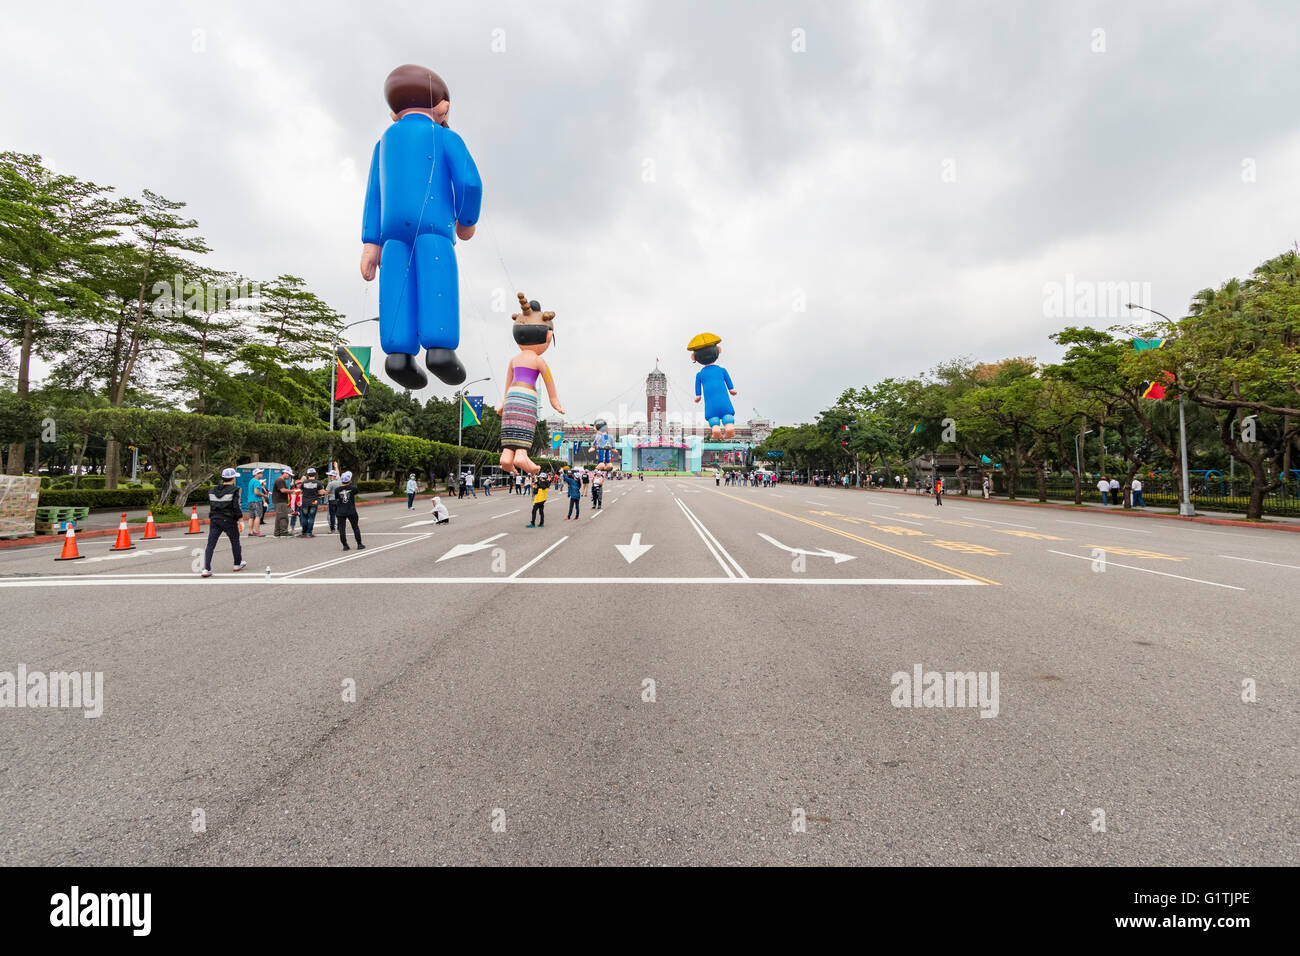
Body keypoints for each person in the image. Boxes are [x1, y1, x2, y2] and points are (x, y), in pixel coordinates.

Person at [359, 64, 482, 390]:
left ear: (393, 112)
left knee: (396, 283)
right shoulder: (444, 136)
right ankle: (440, 352)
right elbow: (470, 182)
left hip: (392, 232)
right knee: (436, 277)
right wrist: (466, 221)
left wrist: (371, 242)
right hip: (432, 227)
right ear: (442, 106)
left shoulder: (383, 144)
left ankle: (398, 358)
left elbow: (374, 193)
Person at [201, 468, 248, 577]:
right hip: (229, 519)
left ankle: (206, 568)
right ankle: (237, 564)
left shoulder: (212, 490)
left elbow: (212, 504)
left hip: (214, 519)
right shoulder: (236, 490)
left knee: (210, 544)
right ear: (233, 478)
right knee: (235, 541)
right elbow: (236, 506)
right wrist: (240, 519)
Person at [333, 471, 364, 550]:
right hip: (351, 510)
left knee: (342, 529)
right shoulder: (353, 488)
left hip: (340, 511)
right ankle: (359, 544)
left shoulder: (337, 490)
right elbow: (355, 496)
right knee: (355, 527)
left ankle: (345, 545)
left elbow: (337, 498)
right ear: (349, 480)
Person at [298, 468, 322, 537]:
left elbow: (300, 491)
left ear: (308, 474)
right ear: (315, 474)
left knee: (304, 517)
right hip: (314, 502)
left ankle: (304, 532)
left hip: (305, 502)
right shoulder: (318, 483)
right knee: (311, 517)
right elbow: (320, 492)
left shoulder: (304, 483)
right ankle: (309, 533)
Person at [271, 467, 294, 537]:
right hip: (280, 501)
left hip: (278, 501)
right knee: (284, 517)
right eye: (288, 475)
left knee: (279, 518)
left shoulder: (280, 480)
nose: (289, 476)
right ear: (284, 473)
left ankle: (277, 532)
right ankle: (284, 532)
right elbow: (282, 490)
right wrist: (292, 491)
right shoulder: (280, 480)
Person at [247, 468, 268, 536]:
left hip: (250, 501)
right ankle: (258, 532)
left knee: (251, 517)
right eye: (260, 473)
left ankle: (251, 532)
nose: (262, 474)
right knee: (258, 516)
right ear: (256, 474)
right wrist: (264, 495)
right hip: (256, 500)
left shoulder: (251, 481)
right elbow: (256, 492)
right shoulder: (256, 481)